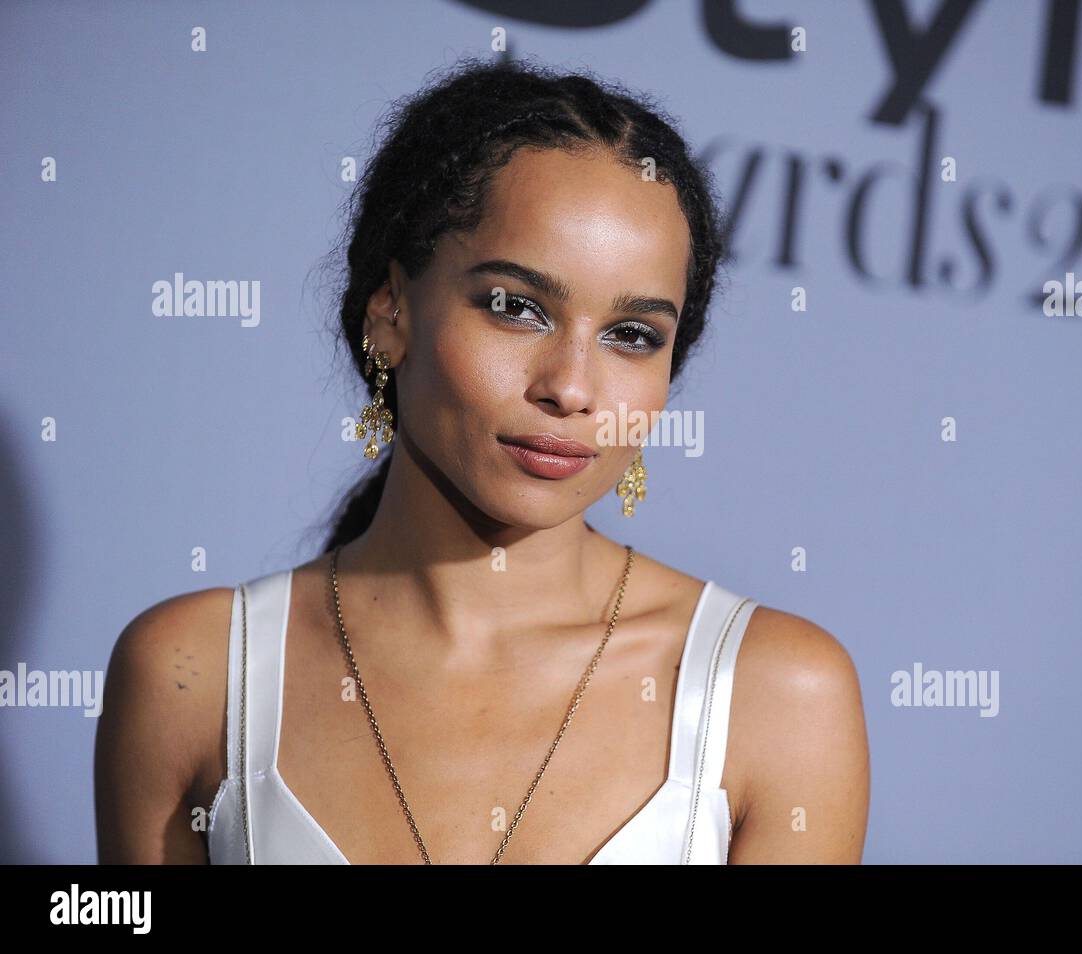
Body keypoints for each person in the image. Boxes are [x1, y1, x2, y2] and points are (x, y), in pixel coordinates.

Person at [94, 56, 870, 864]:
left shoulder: (777, 693)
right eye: (516, 308)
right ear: (390, 313)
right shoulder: (192, 672)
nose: (571, 388)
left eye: (632, 335)